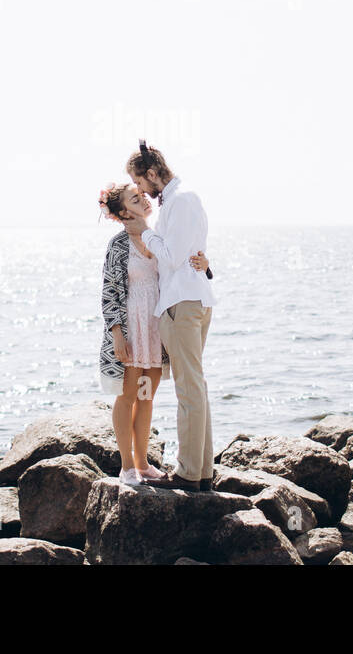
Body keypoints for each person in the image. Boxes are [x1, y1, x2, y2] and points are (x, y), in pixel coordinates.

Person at [117, 140, 216, 492]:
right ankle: (202, 472)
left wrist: (148, 233)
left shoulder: (179, 200)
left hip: (181, 305)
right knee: (196, 387)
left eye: (140, 182)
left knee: (189, 390)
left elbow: (172, 256)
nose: (141, 190)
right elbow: (192, 252)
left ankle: (190, 473)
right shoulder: (184, 198)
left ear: (154, 173)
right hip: (192, 299)